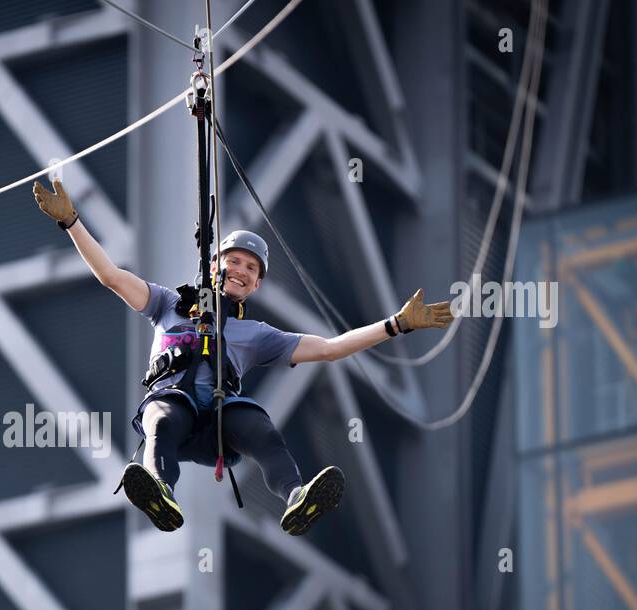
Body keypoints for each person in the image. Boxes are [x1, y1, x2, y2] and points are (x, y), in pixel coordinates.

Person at [32, 178, 452, 535]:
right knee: (161, 417)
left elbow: (328, 349)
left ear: (256, 286)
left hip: (219, 420)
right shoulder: (168, 304)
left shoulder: (257, 334)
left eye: (252, 269)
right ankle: (159, 490)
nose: (242, 270)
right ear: (214, 266)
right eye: (234, 261)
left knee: (259, 426)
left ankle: (296, 496)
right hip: (174, 405)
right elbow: (111, 276)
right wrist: (72, 223)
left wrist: (396, 324)